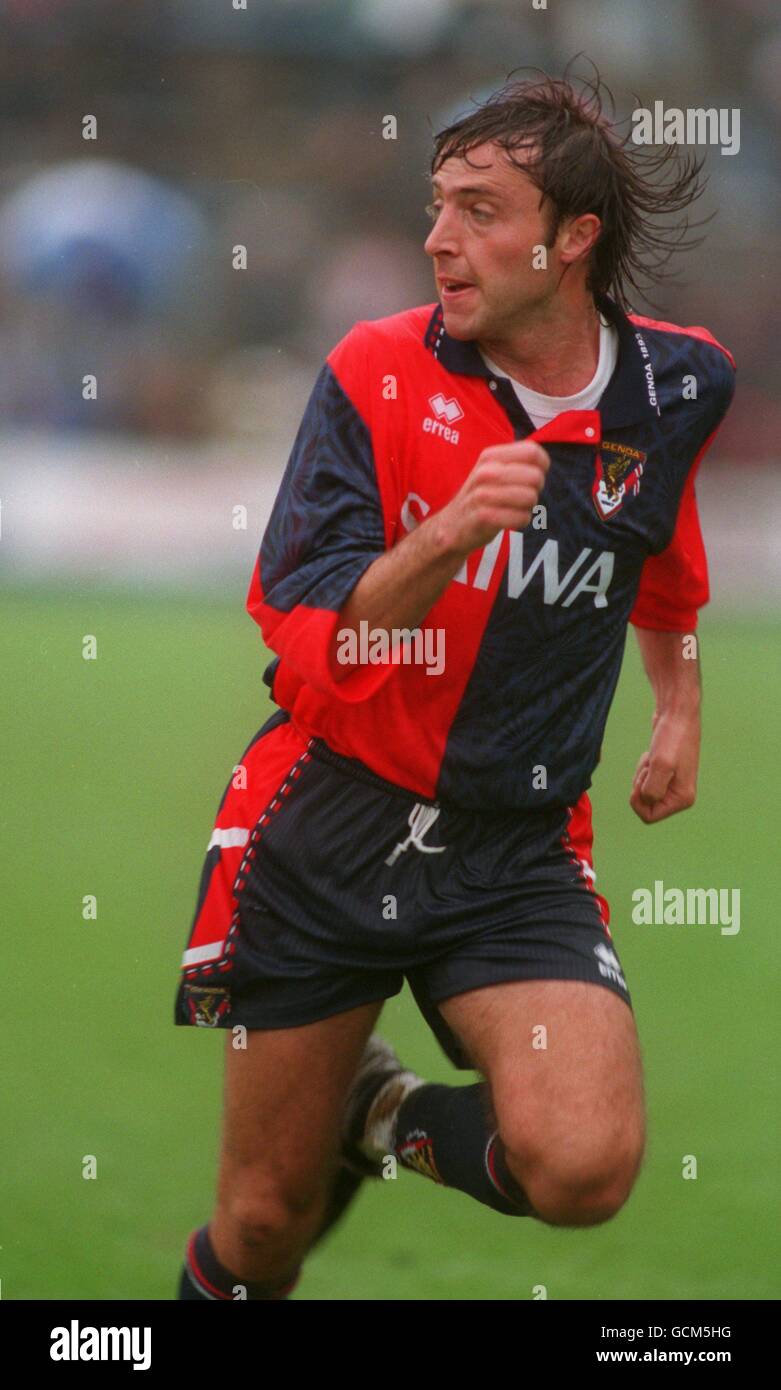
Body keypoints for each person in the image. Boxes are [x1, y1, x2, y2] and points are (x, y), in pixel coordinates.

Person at [174, 72, 736, 1300]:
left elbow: (666, 564)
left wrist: (681, 706)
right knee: (263, 1228)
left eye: (479, 210)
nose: (438, 238)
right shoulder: (374, 371)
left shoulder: (679, 389)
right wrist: (441, 539)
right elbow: (305, 628)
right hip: (333, 823)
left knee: (582, 1165)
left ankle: (376, 1108)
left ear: (571, 239)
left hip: (516, 851)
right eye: (437, 205)